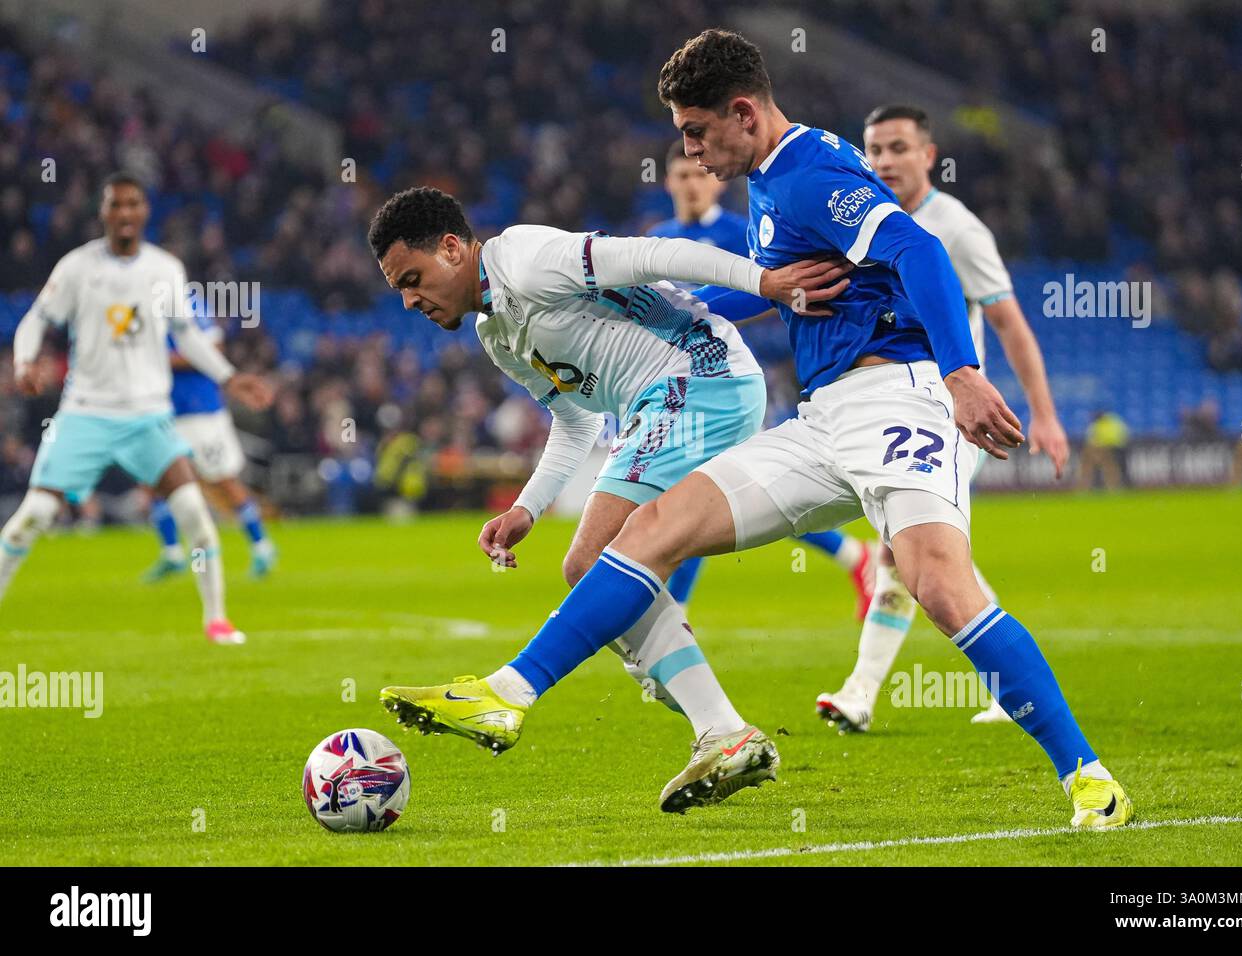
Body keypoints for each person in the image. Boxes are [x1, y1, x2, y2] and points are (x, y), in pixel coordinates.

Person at [379, 30, 1133, 828]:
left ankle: (1088, 776)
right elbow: (772, 291)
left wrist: (961, 372)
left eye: (696, 131)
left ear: (743, 113)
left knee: (941, 586)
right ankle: (514, 695)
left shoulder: (807, 172)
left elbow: (919, 250)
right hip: (823, 419)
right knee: (647, 532)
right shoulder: (770, 185)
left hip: (899, 400)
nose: (690, 151)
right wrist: (682, 307)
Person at [367, 185, 850, 810]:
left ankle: (509, 693)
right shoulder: (496, 334)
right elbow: (575, 420)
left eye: (413, 278)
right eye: (398, 289)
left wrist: (767, 285)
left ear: (454, 248)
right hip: (665, 400)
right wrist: (528, 506)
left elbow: (656, 254)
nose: (409, 300)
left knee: (593, 563)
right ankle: (725, 734)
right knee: (602, 568)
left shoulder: (527, 258)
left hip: (698, 378)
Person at [815, 104, 1072, 732]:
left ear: (928, 156)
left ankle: (861, 693)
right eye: (873, 149)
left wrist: (1044, 413)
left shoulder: (955, 229)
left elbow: (1009, 322)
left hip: (952, 411)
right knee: (917, 556)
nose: (883, 162)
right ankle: (999, 686)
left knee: (904, 554)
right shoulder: (856, 218)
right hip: (884, 404)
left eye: (898, 148)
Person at [0, 173, 273, 644]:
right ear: (103, 213)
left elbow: (188, 334)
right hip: (85, 413)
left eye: (133, 204)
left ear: (145, 212)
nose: (125, 213)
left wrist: (229, 376)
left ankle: (217, 620)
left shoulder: (165, 269)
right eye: (115, 205)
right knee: (33, 518)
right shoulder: (77, 268)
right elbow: (34, 321)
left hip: (149, 417)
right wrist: (25, 360)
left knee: (195, 514)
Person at [648, 142, 874, 613]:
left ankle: (677, 613)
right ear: (668, 182)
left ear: (714, 180)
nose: (691, 183)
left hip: (736, 379)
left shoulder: (740, 231)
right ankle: (856, 556)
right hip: (676, 379)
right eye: (680, 176)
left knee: (703, 488)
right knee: (724, 488)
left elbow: (771, 296)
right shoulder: (656, 239)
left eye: (697, 174)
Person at [142, 313, 277, 582]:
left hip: (200, 411)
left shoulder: (189, 303)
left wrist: (159, 360)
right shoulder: (143, 298)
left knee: (221, 480)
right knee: (157, 481)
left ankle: (262, 546)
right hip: (161, 410)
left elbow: (213, 349)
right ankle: (172, 553)